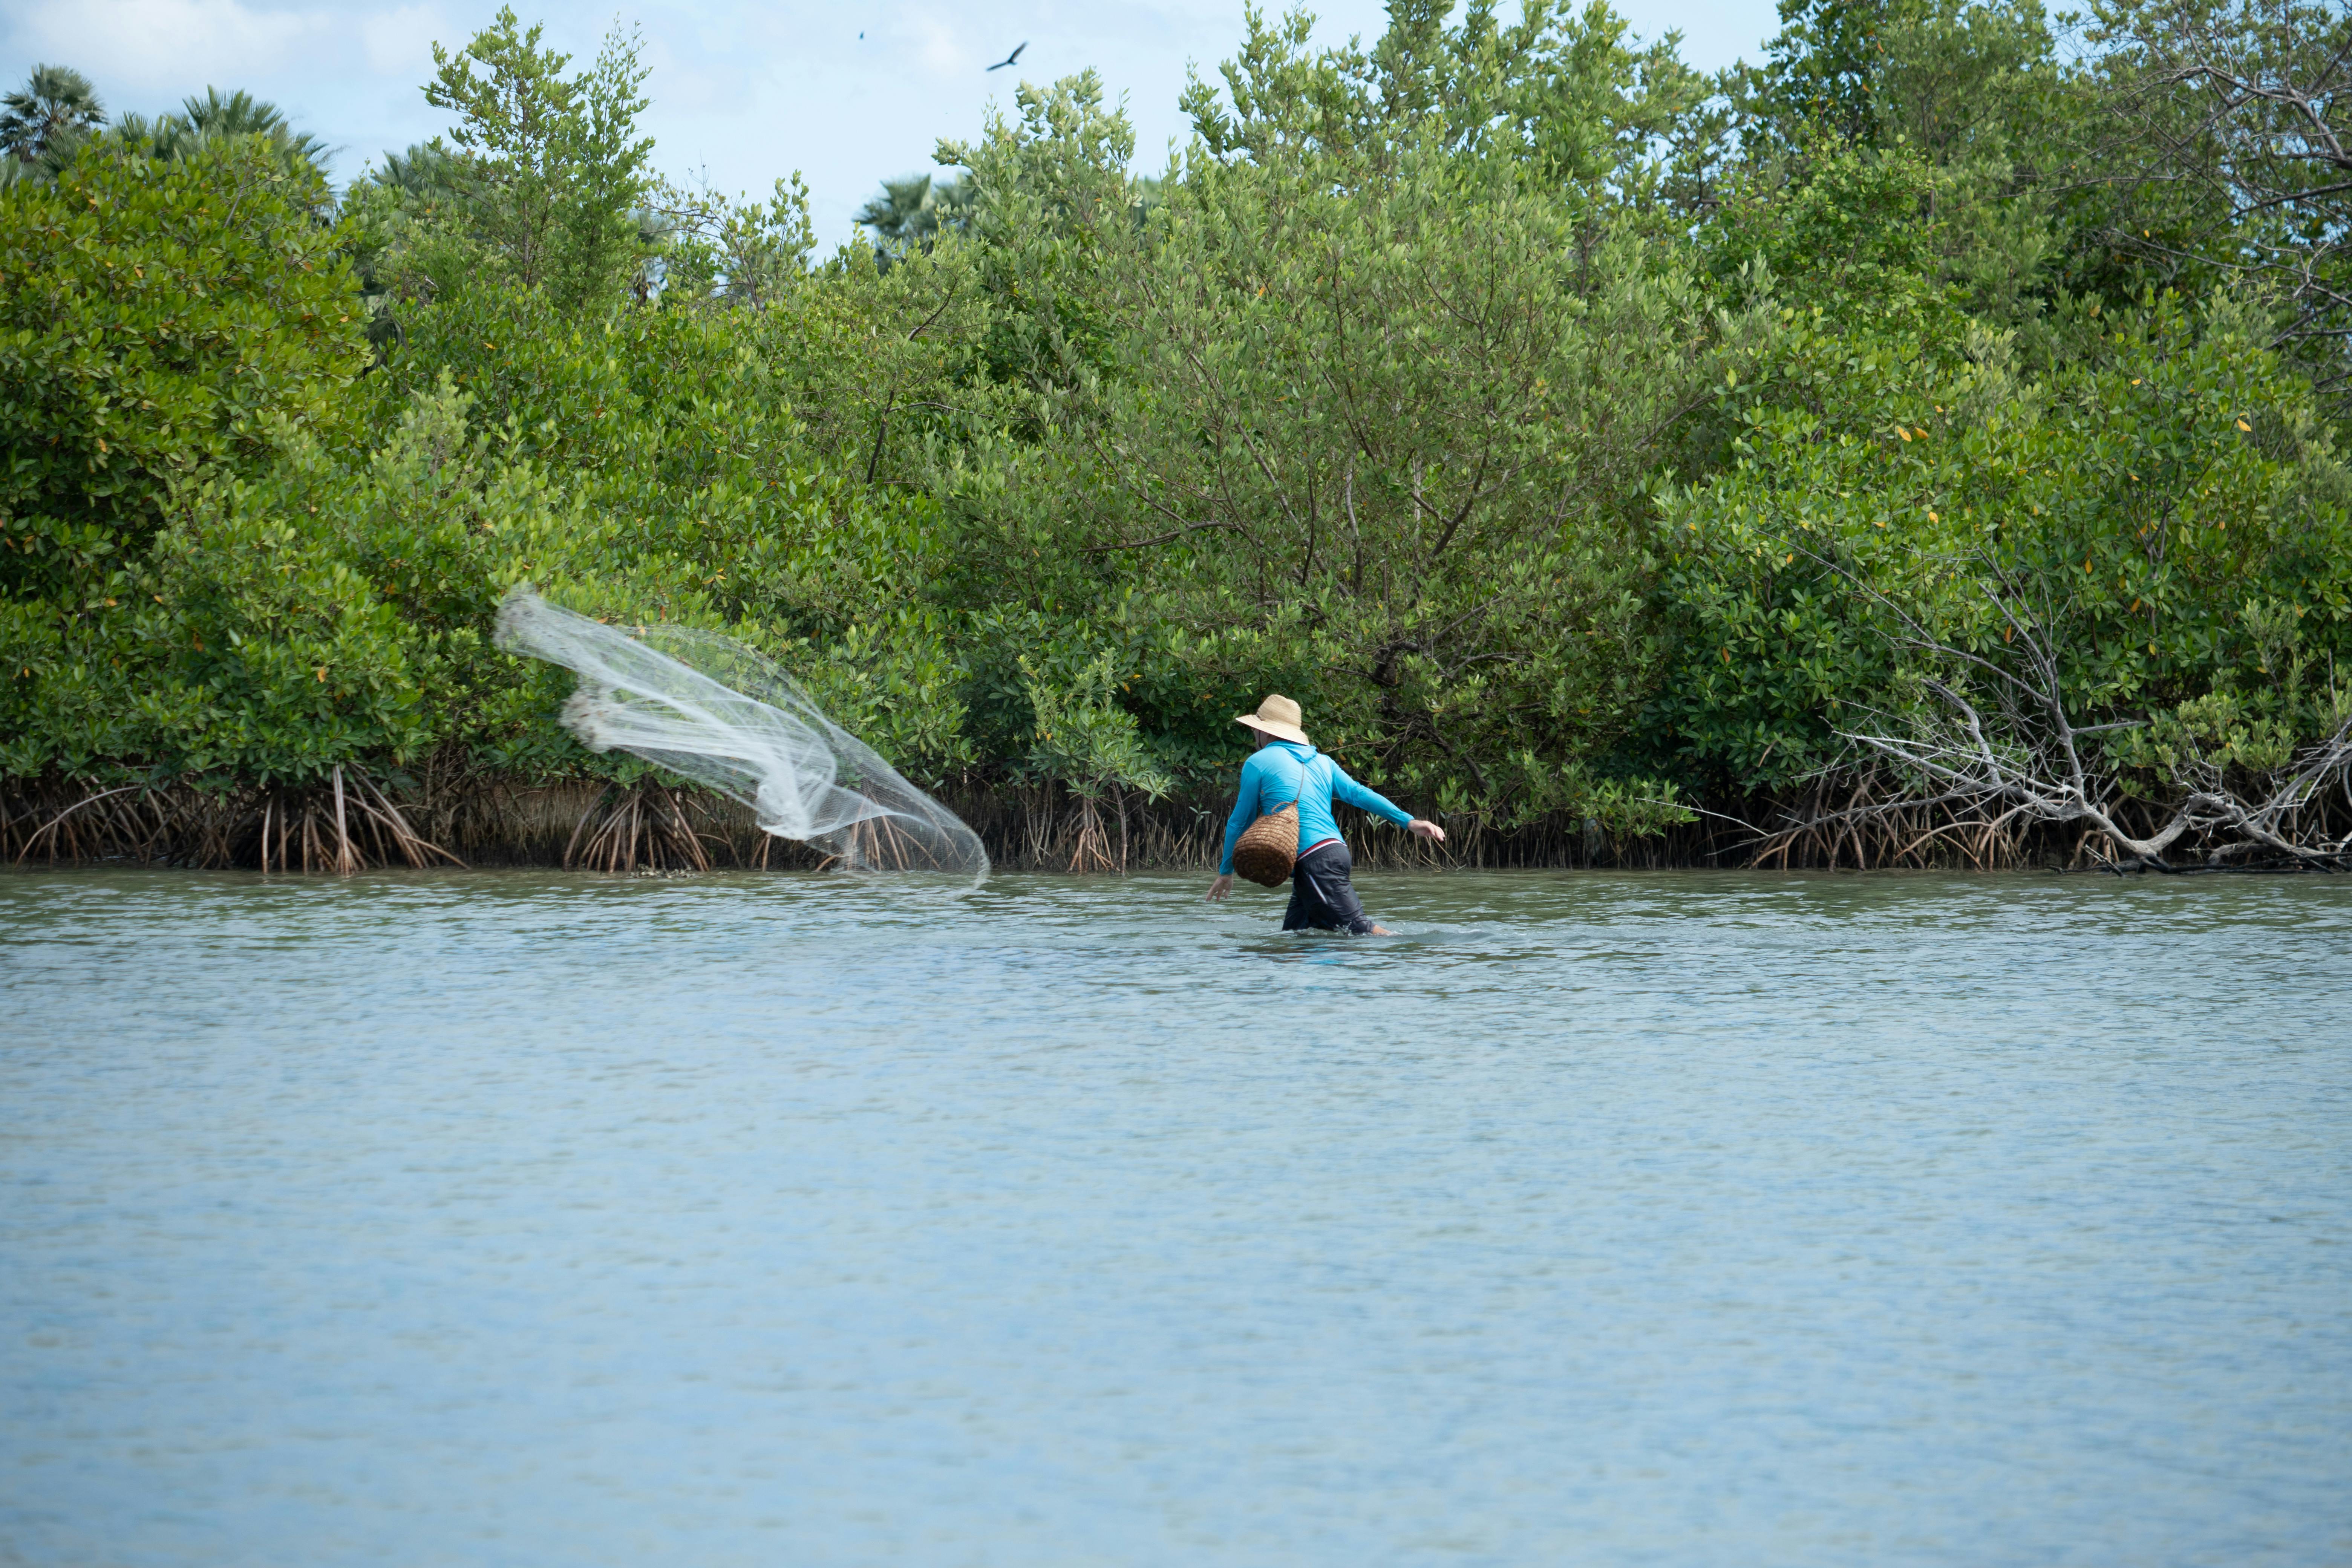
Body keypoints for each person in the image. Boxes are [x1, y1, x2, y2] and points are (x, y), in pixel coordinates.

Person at [1206, 694, 1447, 935]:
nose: (1253, 735)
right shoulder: (1323, 761)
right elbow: (1358, 793)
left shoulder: (1258, 762)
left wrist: (1226, 872)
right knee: (1295, 937)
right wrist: (1408, 821)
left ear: (1266, 733)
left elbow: (1240, 822)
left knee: (1360, 931)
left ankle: (1413, 955)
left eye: (1254, 730)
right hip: (1333, 853)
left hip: (1315, 861)